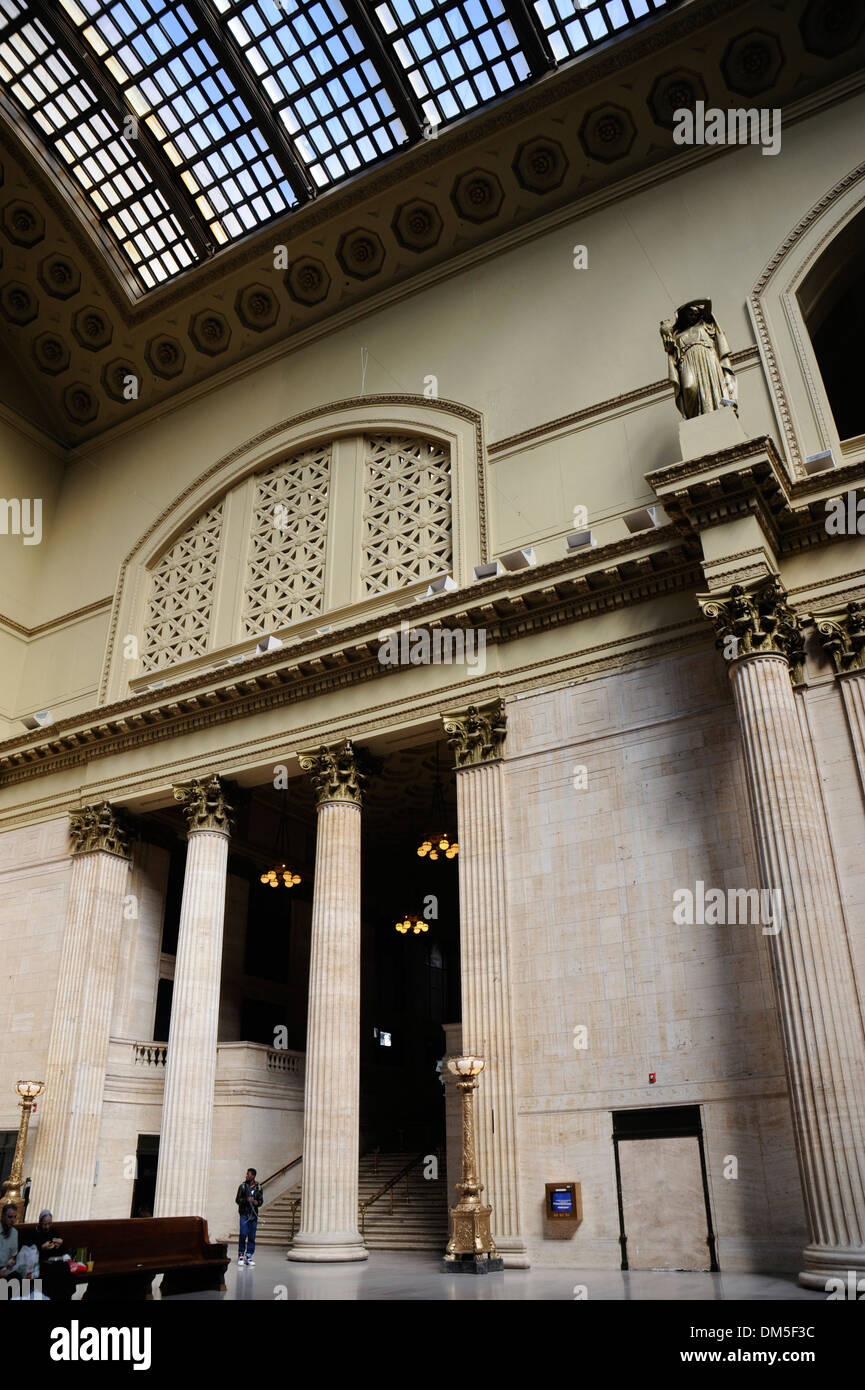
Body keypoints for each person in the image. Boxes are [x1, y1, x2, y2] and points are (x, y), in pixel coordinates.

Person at [35, 1210, 74, 1301]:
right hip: (42, 1262)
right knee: (54, 1272)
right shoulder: (36, 1232)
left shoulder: (54, 1231)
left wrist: (60, 1244)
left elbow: (61, 1251)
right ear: (40, 1222)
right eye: (45, 1224)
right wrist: (42, 1247)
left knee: (65, 1268)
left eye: (49, 1223)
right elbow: (34, 1249)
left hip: (55, 1261)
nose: (47, 1226)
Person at [234, 1168, 263, 1267]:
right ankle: (241, 1255)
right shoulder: (242, 1186)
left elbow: (261, 1201)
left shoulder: (259, 1187)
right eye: (246, 1174)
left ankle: (249, 1256)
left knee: (252, 1236)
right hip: (244, 1215)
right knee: (243, 1234)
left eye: (248, 1174)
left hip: (253, 1216)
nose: (246, 1175)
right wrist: (246, 1200)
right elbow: (237, 1200)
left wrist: (256, 1202)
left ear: (253, 1176)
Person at [0, 1204, 18, 1278]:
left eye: (15, 1217)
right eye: (10, 1217)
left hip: (6, 1268)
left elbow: (13, 1255)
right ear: (3, 1216)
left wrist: (12, 1260)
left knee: (21, 1279)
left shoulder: (14, 1233)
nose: (13, 1220)